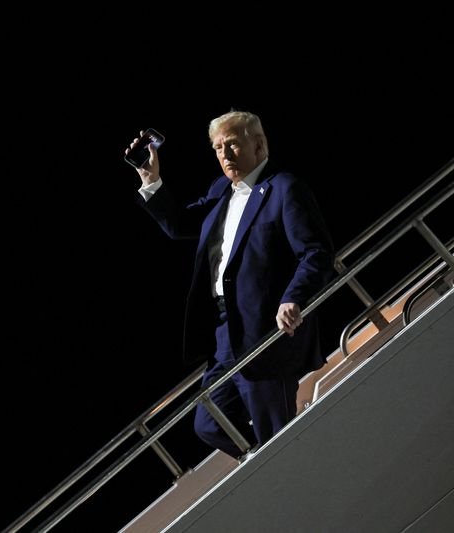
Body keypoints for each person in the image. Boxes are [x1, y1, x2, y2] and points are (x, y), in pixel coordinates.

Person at [124, 110, 335, 460]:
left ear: (259, 144)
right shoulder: (222, 191)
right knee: (209, 422)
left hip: (266, 331)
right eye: (218, 147)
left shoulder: (284, 187)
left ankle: (285, 470)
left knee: (274, 428)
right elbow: (179, 225)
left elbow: (316, 253)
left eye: (233, 144)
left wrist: (293, 298)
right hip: (224, 334)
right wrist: (150, 179)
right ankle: (265, 462)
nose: (225, 154)